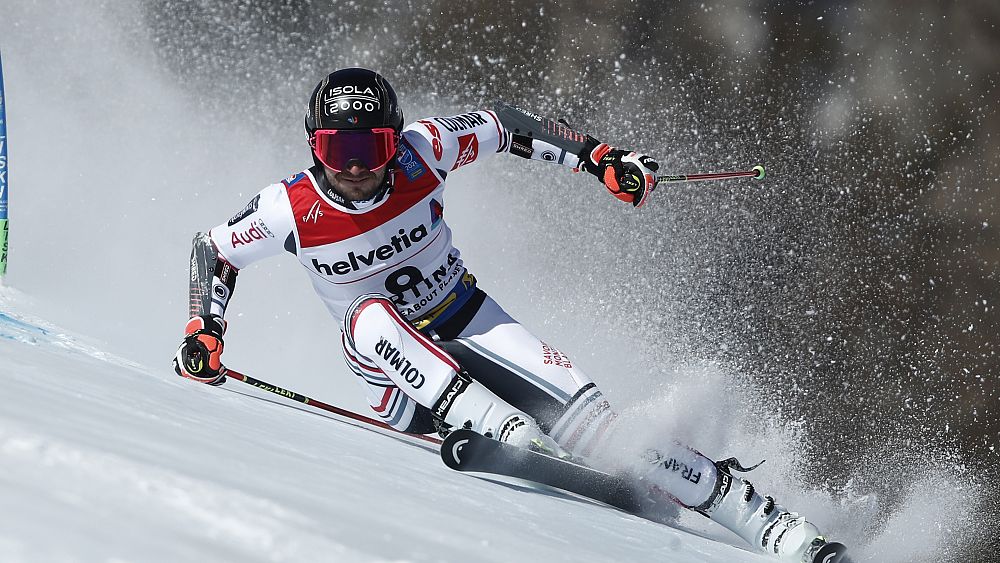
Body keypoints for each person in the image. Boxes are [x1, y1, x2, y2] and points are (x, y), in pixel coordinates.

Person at [174, 67, 842, 563]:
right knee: (369, 316)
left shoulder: (423, 148)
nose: (354, 170)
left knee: (601, 426)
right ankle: (499, 426)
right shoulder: (288, 208)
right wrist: (204, 328)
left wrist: (602, 160)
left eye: (369, 149)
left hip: (468, 319)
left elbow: (505, 126)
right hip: (396, 381)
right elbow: (214, 249)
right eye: (336, 151)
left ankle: (772, 526)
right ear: (312, 147)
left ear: (392, 139)